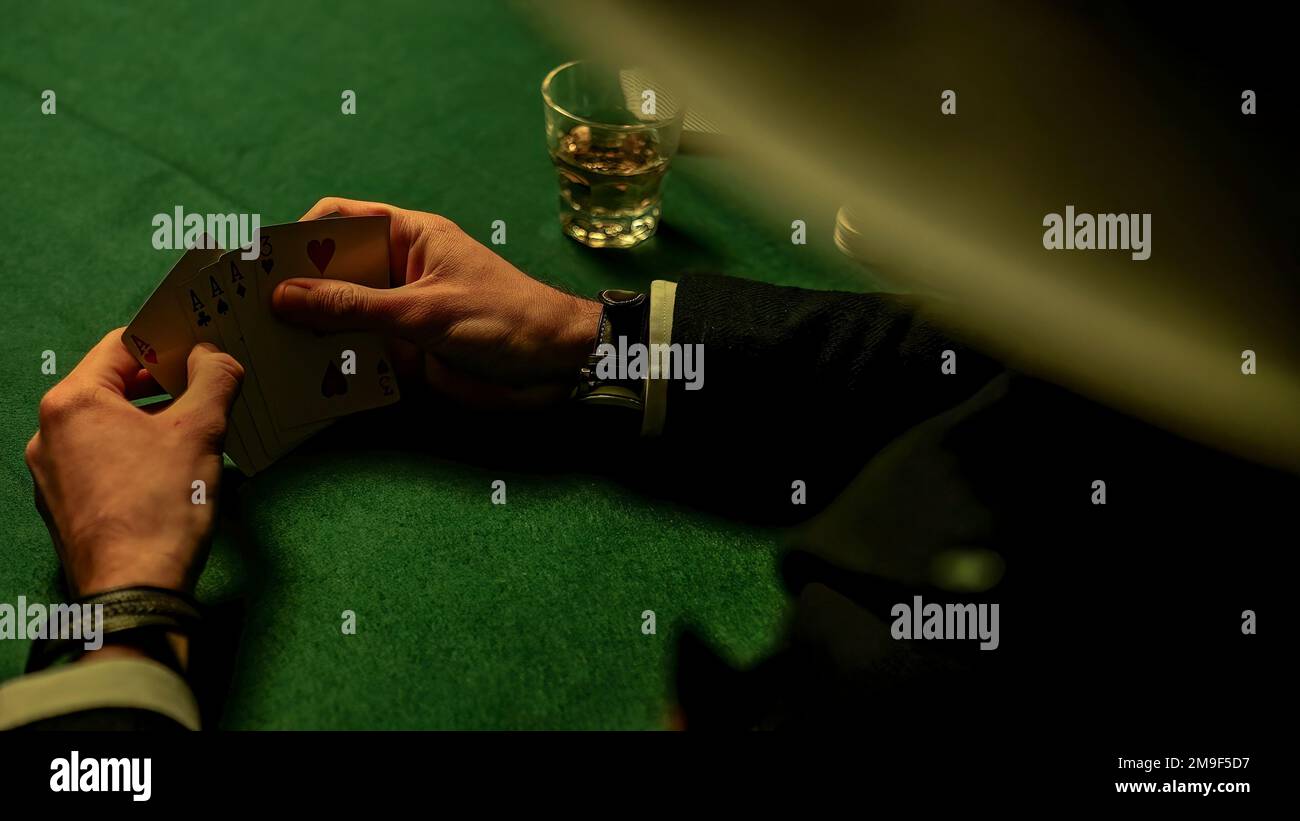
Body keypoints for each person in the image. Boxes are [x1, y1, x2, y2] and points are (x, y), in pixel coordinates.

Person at [1, 198, 1285, 733]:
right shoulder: (1229, 317)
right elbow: (1062, 365)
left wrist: (120, 609)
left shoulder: (907, 661)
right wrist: (591, 341)